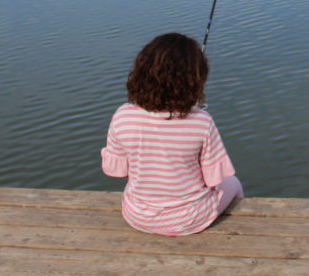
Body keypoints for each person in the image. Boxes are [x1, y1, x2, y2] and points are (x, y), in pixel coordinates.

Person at [101, 33, 243, 235]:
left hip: (137, 216)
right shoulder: (201, 121)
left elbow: (116, 170)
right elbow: (214, 177)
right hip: (189, 218)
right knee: (233, 183)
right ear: (194, 80)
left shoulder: (123, 115)